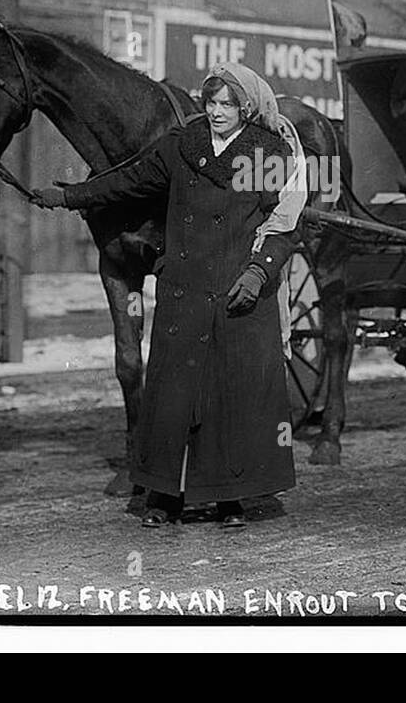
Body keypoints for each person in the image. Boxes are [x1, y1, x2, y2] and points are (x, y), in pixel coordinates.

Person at [31, 63, 302, 529]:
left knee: (228, 394)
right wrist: (71, 197)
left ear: (245, 108)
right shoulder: (182, 146)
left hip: (238, 288)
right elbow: (126, 181)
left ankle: (230, 499)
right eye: (210, 103)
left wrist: (260, 272)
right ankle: (163, 496)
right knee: (174, 394)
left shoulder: (267, 155)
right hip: (186, 287)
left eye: (227, 105)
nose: (216, 113)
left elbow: (283, 226)